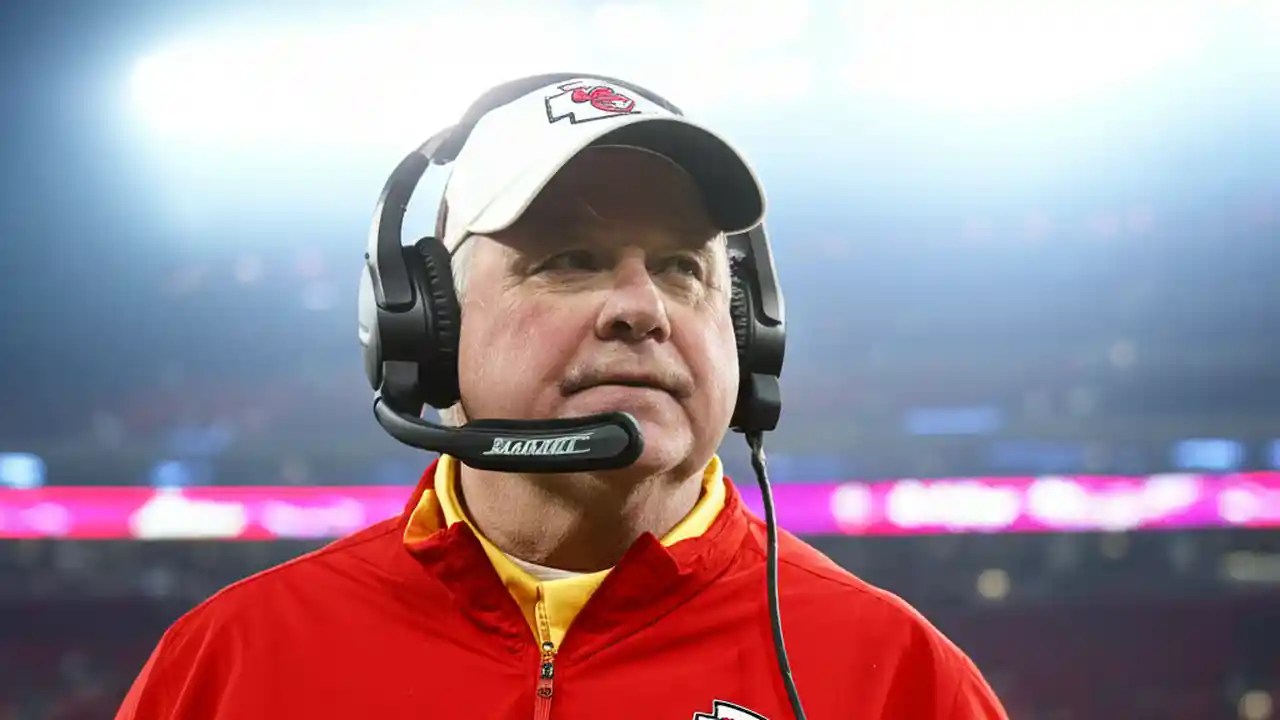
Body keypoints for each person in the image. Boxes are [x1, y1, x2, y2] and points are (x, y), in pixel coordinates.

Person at [116, 74, 1008, 719]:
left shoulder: (900, 679)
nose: (641, 308)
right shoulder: (230, 665)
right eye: (570, 261)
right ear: (426, 326)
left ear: (749, 327)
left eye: (681, 268)